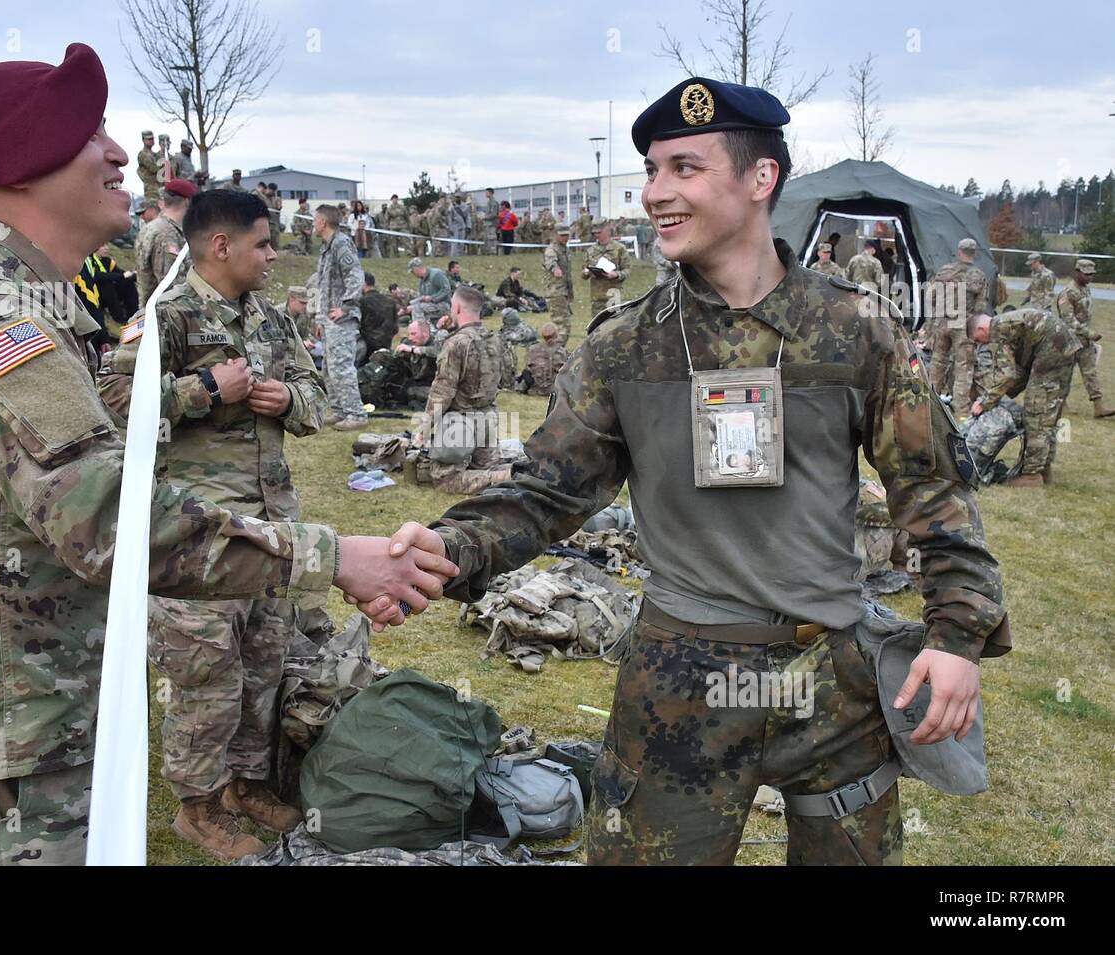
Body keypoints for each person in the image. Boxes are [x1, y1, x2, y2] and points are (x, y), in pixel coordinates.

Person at [363, 76, 1008, 866]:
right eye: (650, 170)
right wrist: (442, 550)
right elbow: (545, 493)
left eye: (683, 169)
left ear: (760, 179)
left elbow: (933, 486)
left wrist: (956, 634)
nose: (654, 193)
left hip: (832, 682)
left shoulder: (852, 330)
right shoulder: (626, 346)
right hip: (680, 679)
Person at [0, 43, 454, 866]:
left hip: (24, 723)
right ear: (20, 164)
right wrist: (333, 555)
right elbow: (107, 515)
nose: (116, 152)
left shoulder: (21, 301)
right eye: (87, 134)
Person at [96, 190, 325, 859]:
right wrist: (204, 392)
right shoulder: (164, 318)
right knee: (206, 675)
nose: (273, 255)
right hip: (196, 535)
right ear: (221, 246)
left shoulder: (272, 319)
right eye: (263, 243)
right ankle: (197, 806)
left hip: (270, 527)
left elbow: (319, 402)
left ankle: (246, 784)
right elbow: (112, 407)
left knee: (262, 664)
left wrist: (288, 400)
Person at [414, 284, 511, 494]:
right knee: (486, 465)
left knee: (446, 480)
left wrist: (425, 427)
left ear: (457, 308)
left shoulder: (456, 344)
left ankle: (504, 477)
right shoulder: (496, 339)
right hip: (488, 419)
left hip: (460, 424)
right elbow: (507, 377)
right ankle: (510, 474)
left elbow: (442, 392)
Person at [967, 309, 1081, 486]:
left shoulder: (998, 329)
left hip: (1051, 351)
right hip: (1063, 346)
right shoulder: (1007, 322)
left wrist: (984, 402)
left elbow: (1008, 374)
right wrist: (1001, 395)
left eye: (977, 340)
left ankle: (1031, 475)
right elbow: (1019, 371)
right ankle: (1044, 467)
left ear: (982, 329)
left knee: (1036, 412)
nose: (980, 344)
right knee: (1050, 413)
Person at [314, 203, 368, 429]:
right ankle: (339, 410)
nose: (313, 224)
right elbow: (324, 286)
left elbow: (355, 277)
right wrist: (319, 317)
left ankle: (356, 414)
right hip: (329, 318)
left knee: (342, 366)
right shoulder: (327, 247)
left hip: (341, 319)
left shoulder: (341, 243)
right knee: (329, 367)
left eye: (315, 220)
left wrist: (345, 308)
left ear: (323, 222)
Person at [929, 237, 989, 420]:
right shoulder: (979, 276)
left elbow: (931, 297)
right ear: (974, 253)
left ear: (959, 251)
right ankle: (961, 410)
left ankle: (929, 402)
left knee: (937, 363)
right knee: (963, 368)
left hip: (942, 323)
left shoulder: (944, 271)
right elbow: (980, 308)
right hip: (964, 325)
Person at [1056, 258, 1114, 418]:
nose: (1089, 277)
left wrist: (1088, 335)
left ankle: (1098, 407)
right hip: (1070, 340)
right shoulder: (1068, 292)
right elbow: (1068, 320)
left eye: (1091, 274)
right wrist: (1089, 333)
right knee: (1064, 373)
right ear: (1077, 273)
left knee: (1090, 372)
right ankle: (1062, 405)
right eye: (1086, 274)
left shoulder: (1086, 290)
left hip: (1085, 342)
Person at [135, 177, 195, 307]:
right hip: (166, 316)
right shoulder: (165, 234)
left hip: (160, 312)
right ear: (187, 202)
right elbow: (171, 285)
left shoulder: (158, 228)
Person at [582, 217, 630, 315]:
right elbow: (584, 274)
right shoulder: (590, 251)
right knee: (598, 327)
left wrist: (616, 274)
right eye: (595, 233)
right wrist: (586, 272)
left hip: (614, 295)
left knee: (614, 326)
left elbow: (627, 270)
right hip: (597, 297)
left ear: (607, 230)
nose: (597, 235)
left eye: (599, 232)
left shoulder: (619, 249)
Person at [358, 270, 400, 363]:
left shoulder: (362, 302)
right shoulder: (390, 301)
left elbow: (358, 325)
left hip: (367, 347)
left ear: (363, 284)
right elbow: (396, 327)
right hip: (386, 344)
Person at [515, 322, 568, 396]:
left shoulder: (532, 350)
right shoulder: (562, 352)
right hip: (554, 389)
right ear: (556, 335)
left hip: (535, 389)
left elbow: (528, 369)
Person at [408, 256, 453, 326]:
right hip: (431, 306)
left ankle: (420, 330)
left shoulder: (436, 274)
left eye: (412, 272)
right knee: (415, 307)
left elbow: (446, 289)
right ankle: (427, 329)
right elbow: (422, 297)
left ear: (416, 269)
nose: (413, 274)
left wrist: (432, 298)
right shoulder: (421, 281)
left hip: (443, 305)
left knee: (417, 308)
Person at [136, 130, 161, 201]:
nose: (152, 141)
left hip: (159, 186)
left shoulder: (154, 154)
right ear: (143, 140)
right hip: (151, 189)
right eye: (149, 139)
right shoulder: (143, 154)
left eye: (152, 139)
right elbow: (153, 169)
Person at [481, 188, 500, 254]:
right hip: (488, 224)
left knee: (491, 239)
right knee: (487, 239)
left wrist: (485, 217)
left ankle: (493, 252)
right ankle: (488, 252)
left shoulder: (493, 202)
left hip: (491, 224)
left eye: (487, 192)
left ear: (491, 193)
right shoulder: (489, 202)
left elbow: (494, 214)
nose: (486, 194)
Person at [267, 183, 284, 250]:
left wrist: (279, 206)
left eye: (274, 190)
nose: (273, 192)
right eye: (271, 190)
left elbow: (278, 208)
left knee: (275, 243)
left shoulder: (277, 199)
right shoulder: (264, 198)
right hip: (267, 223)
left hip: (275, 224)